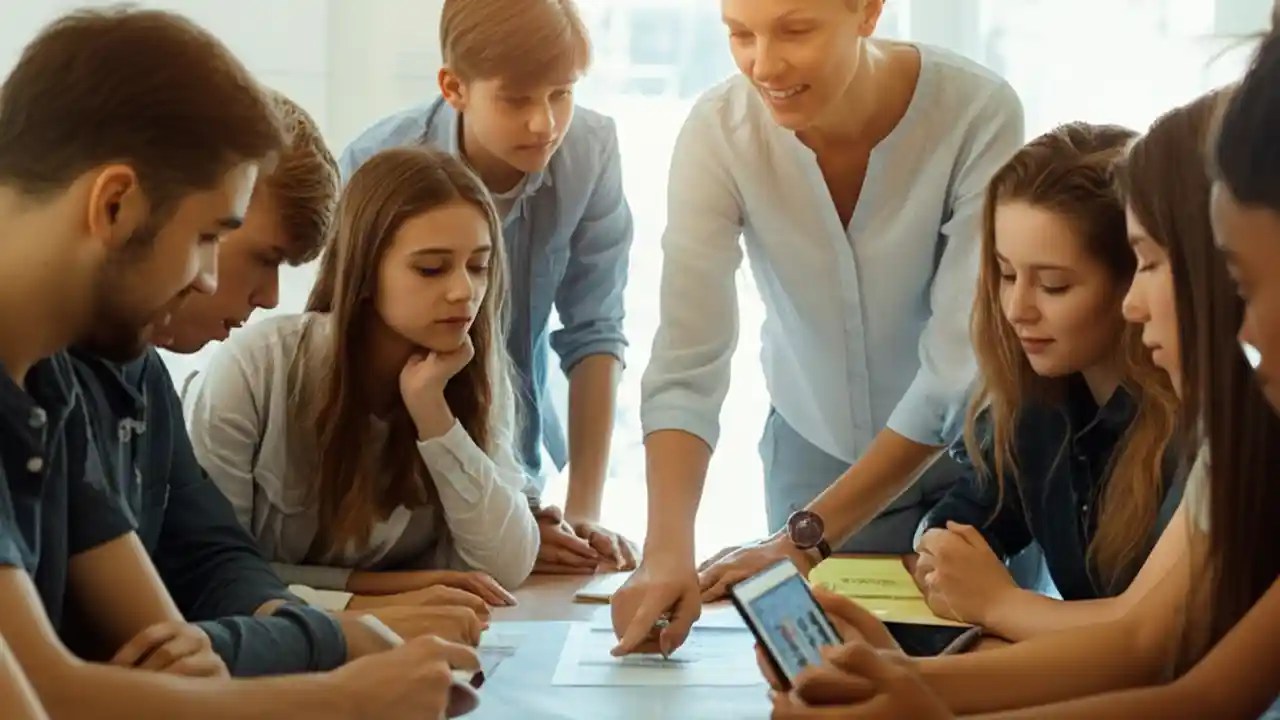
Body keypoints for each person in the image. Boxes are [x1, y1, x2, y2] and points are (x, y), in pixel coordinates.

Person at [0, 8, 475, 718]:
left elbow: (173, 666)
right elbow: (41, 698)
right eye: (207, 237)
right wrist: (342, 693)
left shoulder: (45, 382)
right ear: (116, 204)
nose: (203, 279)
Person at [769, 82, 1280, 719]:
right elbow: (1171, 668)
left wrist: (929, 683)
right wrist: (904, 679)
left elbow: (1159, 657)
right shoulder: (1041, 409)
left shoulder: (1234, 423)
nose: (1132, 306)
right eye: (1006, 275)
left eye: (1149, 265)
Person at [613, 0, 1025, 655]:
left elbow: (957, 365)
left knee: (982, 682)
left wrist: (803, 539)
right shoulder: (718, 133)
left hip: (971, 474)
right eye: (740, 34)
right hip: (809, 459)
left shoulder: (976, 112)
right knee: (819, 684)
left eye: (795, 29)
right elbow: (689, 356)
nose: (763, 64)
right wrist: (666, 551)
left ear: (867, 12)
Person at [339, 0, 638, 576]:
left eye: (562, 94)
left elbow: (595, 332)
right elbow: (352, 345)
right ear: (454, 87)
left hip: (515, 450)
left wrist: (581, 513)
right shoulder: (378, 162)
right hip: (403, 471)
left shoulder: (591, 150)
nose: (544, 123)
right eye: (516, 99)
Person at [185, 146, 541, 600]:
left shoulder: (467, 372)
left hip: (410, 639)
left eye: (479, 266)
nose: (463, 291)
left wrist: (434, 415)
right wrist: (374, 591)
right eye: (431, 269)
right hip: (269, 646)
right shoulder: (257, 366)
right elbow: (209, 572)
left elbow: (507, 564)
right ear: (365, 270)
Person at [911, 123, 1181, 640]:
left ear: (1136, 279)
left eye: (1054, 285)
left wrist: (999, 602)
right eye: (1007, 275)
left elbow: (1155, 643)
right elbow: (977, 507)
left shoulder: (1200, 429)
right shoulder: (1040, 403)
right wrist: (941, 550)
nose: (1016, 310)